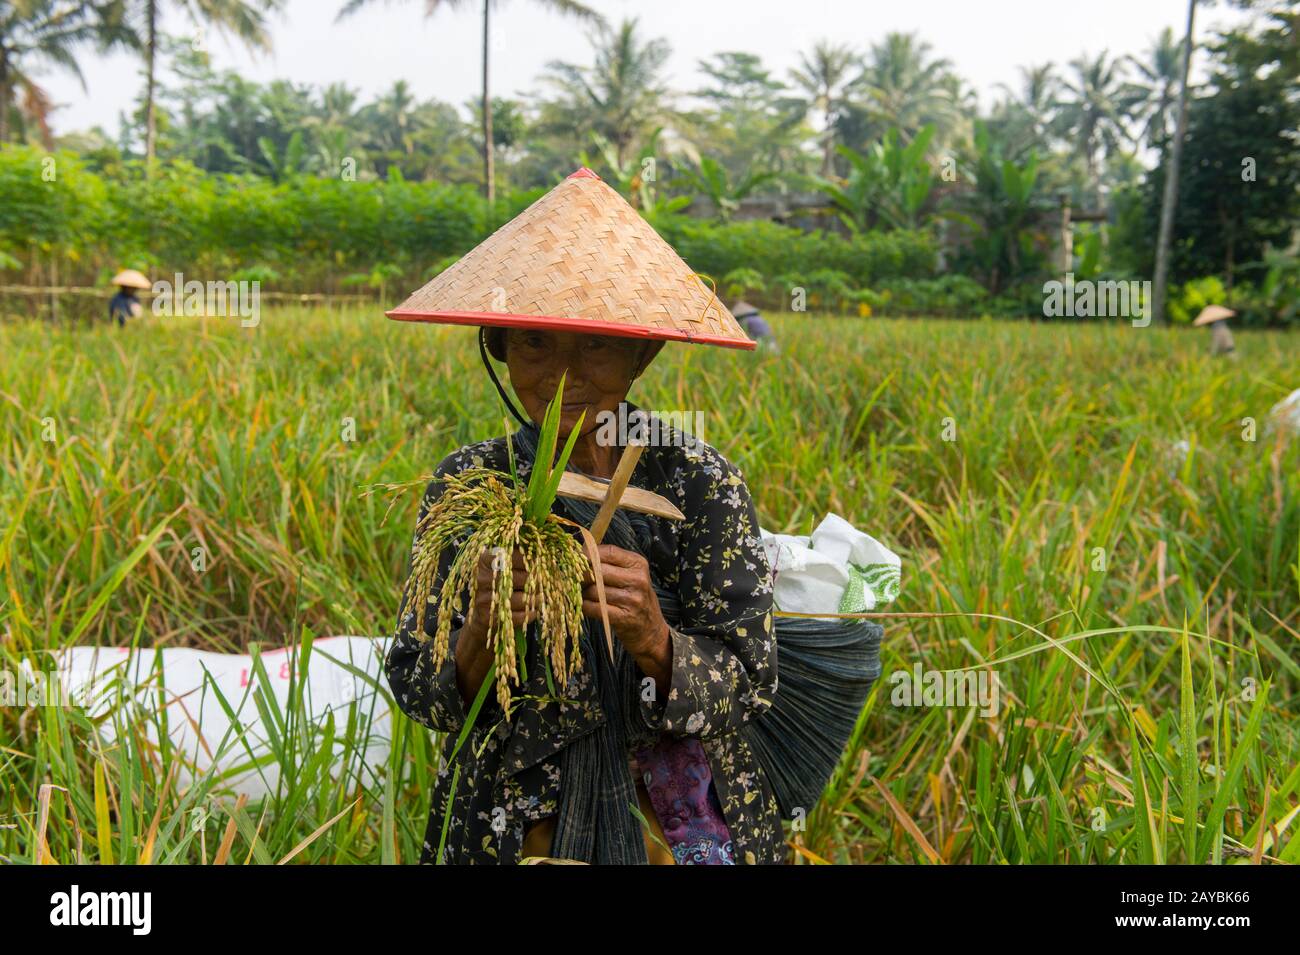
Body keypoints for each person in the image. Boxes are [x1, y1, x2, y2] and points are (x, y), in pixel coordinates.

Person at [383, 168, 783, 865]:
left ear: (643, 352)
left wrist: (655, 638)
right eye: (535, 342)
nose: (562, 375)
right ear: (499, 347)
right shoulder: (470, 485)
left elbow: (752, 681)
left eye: (595, 345)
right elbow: (421, 688)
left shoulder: (698, 482)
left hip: (675, 823)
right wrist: (482, 629)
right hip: (508, 824)